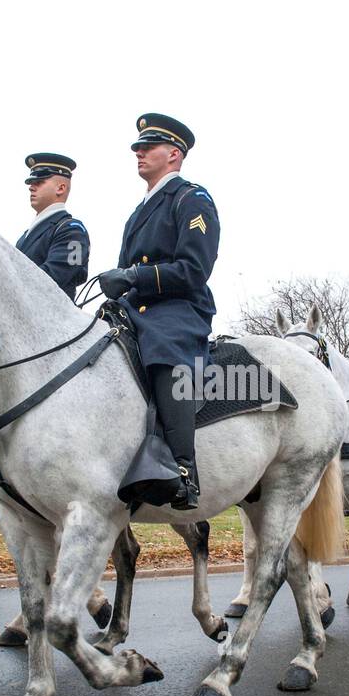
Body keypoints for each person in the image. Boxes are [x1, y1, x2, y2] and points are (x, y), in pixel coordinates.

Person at [98, 114, 218, 510]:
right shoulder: (138, 212)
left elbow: (193, 270)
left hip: (177, 308)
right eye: (137, 146)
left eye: (148, 147)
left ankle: (183, 470)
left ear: (174, 154)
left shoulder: (191, 199)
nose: (139, 152)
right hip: (137, 307)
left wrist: (135, 275)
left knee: (164, 350)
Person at [14, 153, 90, 299]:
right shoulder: (25, 236)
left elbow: (56, 276)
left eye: (39, 182)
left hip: (54, 318)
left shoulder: (72, 230)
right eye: (31, 183)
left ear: (60, 188)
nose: (31, 187)